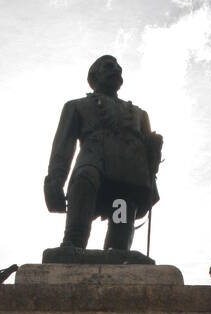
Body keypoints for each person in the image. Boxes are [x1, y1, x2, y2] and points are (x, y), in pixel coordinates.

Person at [44, 55, 162, 252]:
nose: (116, 70)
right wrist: (55, 181)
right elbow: (62, 146)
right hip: (92, 161)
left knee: (122, 206)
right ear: (94, 76)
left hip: (127, 174)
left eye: (119, 68)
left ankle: (118, 250)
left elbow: (150, 159)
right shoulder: (76, 106)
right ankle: (73, 243)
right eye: (109, 66)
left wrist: (153, 153)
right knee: (84, 181)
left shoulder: (140, 114)